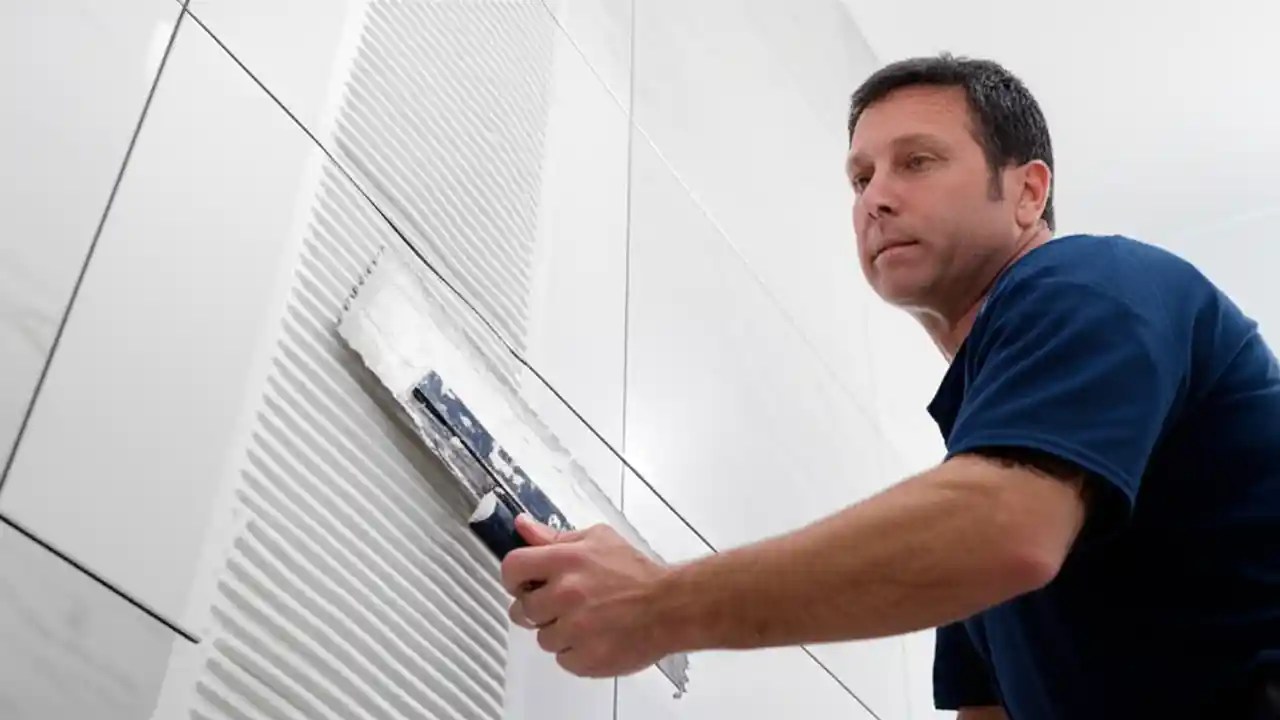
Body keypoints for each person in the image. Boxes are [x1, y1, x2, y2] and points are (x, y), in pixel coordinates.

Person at [498, 54, 1280, 719]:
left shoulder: (1092, 282)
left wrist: (658, 606)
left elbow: (1005, 529)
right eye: (860, 175)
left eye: (918, 161)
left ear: (1028, 193)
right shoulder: (969, 482)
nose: (876, 196)